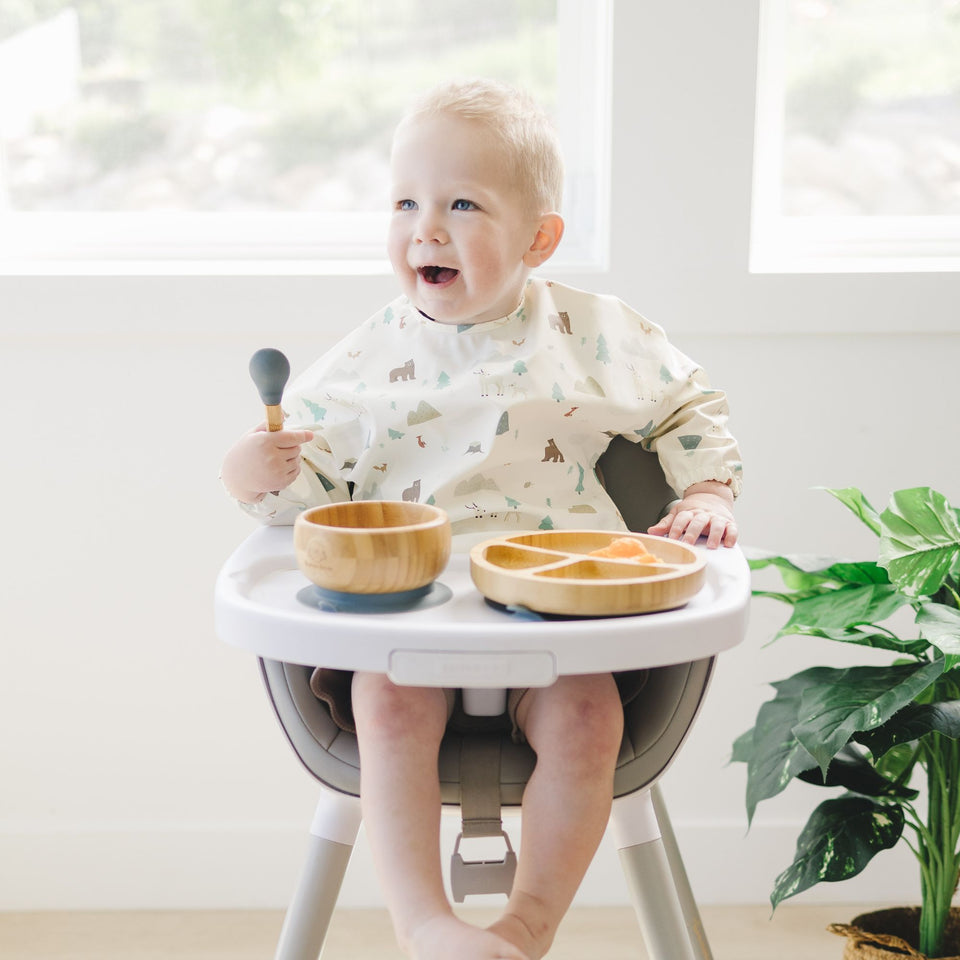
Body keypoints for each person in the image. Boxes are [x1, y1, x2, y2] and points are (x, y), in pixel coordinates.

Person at [221, 79, 742, 960]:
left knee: (589, 720)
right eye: (406, 203)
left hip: (561, 605)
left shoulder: (591, 335)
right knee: (386, 707)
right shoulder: (364, 358)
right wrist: (255, 473)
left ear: (539, 238)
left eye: (461, 204)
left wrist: (706, 493)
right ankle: (425, 927)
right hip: (408, 612)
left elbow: (687, 402)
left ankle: (524, 929)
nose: (426, 228)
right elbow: (305, 492)